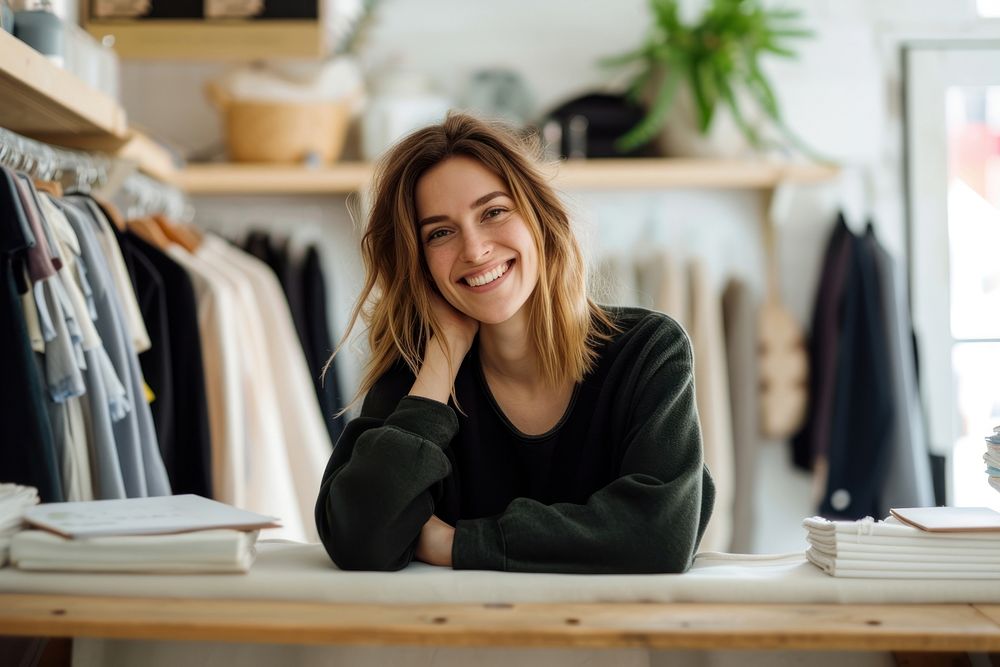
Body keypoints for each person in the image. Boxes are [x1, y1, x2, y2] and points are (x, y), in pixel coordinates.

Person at [315, 112, 714, 573]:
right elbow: (357, 540)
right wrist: (442, 356)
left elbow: (659, 537)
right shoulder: (415, 372)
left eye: (494, 212)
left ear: (539, 220)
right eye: (440, 232)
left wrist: (458, 544)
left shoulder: (648, 351)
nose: (474, 249)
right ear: (420, 263)